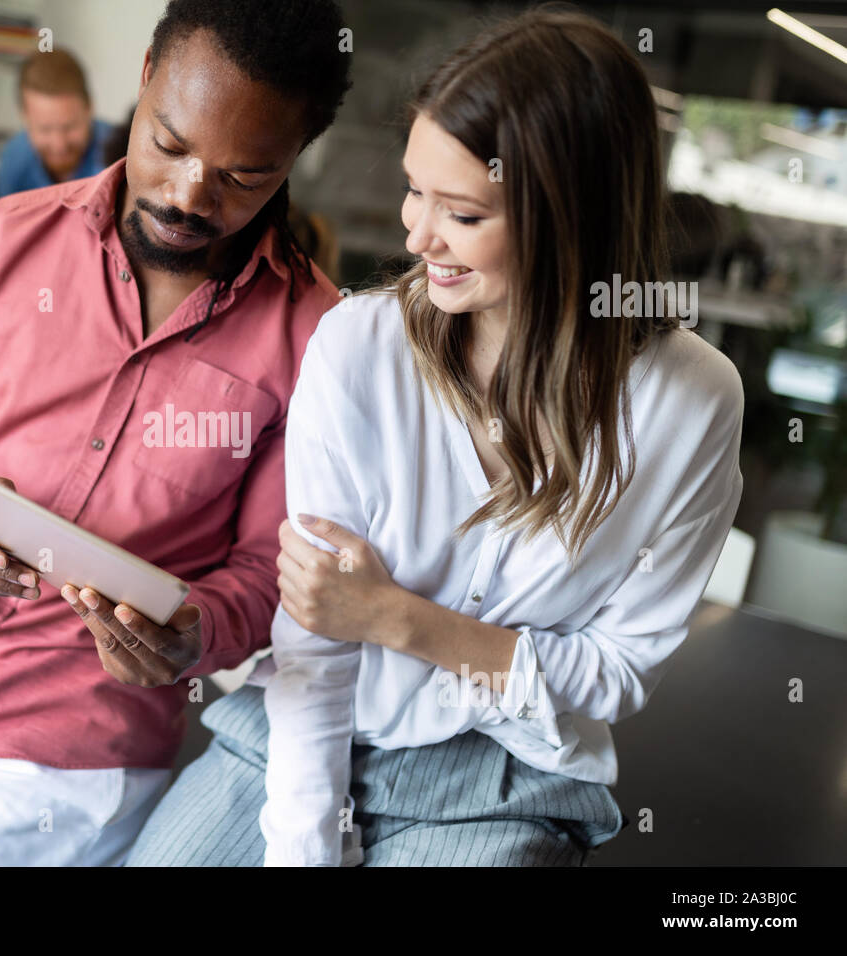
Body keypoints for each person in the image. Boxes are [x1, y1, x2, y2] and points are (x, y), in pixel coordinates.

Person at [126, 6, 744, 867]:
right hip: (303, 737)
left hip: (507, 776)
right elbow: (318, 638)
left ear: (574, 220)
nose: (417, 236)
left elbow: (620, 671)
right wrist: (305, 851)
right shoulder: (358, 346)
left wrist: (400, 620)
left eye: (462, 213)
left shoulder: (691, 402)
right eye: (416, 189)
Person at [0, 0, 352, 866]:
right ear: (144, 78)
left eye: (244, 176)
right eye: (168, 142)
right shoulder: (5, 240)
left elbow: (272, 571)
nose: (189, 195)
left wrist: (196, 629)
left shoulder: (318, 339)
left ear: (296, 156)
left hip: (62, 750)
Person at [0, 47, 113, 198]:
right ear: (24, 116)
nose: (59, 145)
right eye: (45, 129)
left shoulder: (119, 154)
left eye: (69, 127)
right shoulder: (13, 160)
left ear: (90, 108)